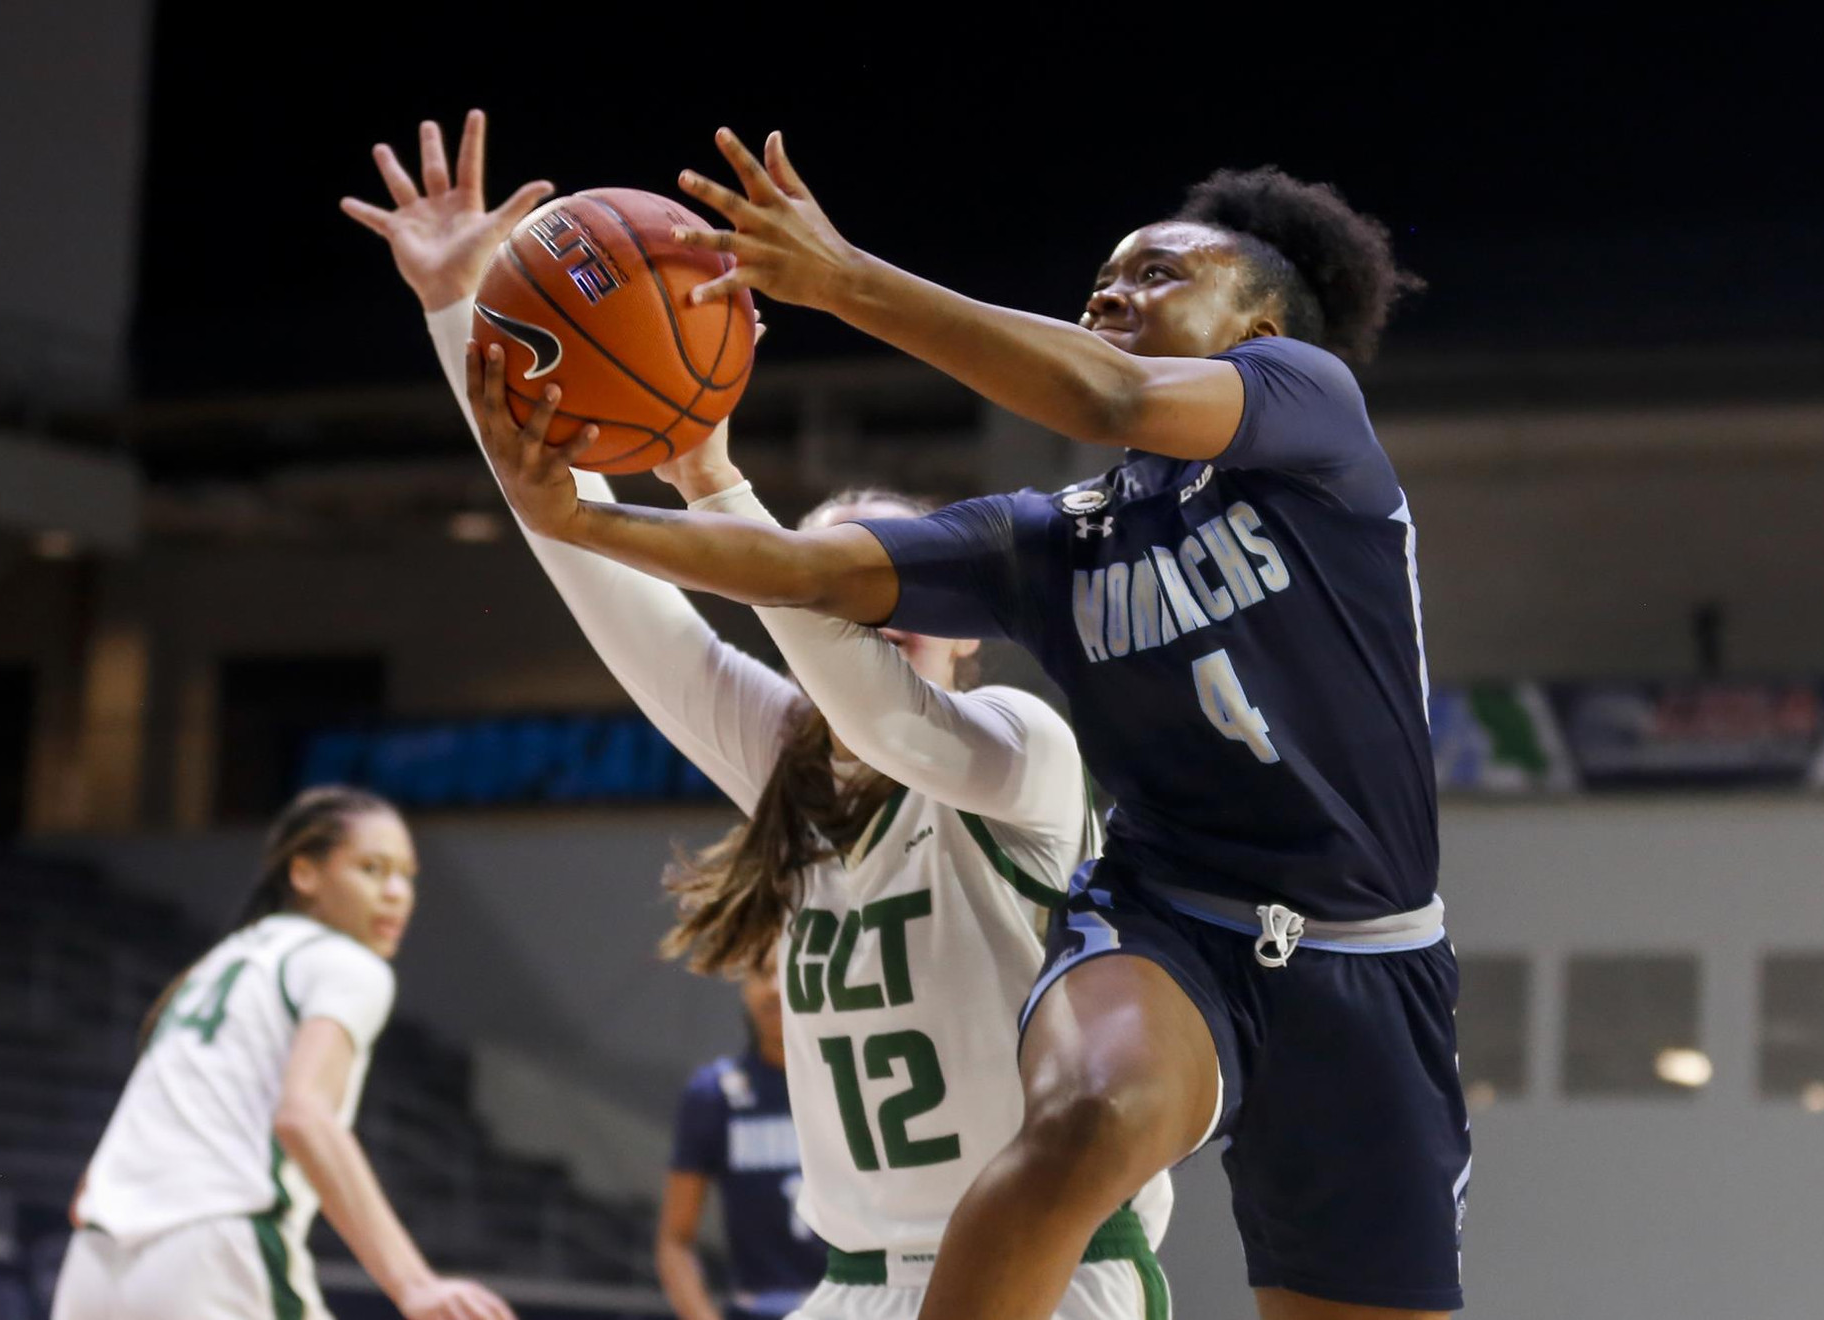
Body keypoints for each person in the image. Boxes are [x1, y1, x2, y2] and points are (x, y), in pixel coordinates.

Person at [459, 126, 1468, 1320]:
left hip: (1371, 953)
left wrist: (842, 279)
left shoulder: (1317, 414)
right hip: (1178, 919)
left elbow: (1109, 393)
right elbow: (812, 574)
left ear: (1258, 333)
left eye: (1160, 272)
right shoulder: (1054, 538)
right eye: (1105, 276)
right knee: (1091, 1115)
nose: (1114, 289)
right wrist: (582, 522)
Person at [341, 110, 1173, 1320]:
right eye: (828, 581)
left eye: (884, 585)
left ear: (965, 625)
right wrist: (467, 316)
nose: (853, 605)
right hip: (845, 1289)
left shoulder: (1022, 758)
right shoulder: (792, 769)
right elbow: (593, 570)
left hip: (1048, 1281)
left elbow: (880, 720)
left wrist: (713, 486)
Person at [54, 786, 515, 1320]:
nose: (396, 892)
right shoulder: (346, 963)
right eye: (372, 869)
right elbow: (303, 1115)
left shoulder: (216, 965)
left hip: (95, 1260)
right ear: (304, 874)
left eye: (406, 876)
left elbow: (92, 1180)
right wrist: (413, 1282)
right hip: (214, 1248)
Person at [659, 947, 827, 1320]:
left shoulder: (855, 1086)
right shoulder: (713, 1094)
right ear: (741, 986)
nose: (776, 988)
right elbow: (674, 1241)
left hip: (851, 1306)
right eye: (762, 972)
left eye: (788, 971)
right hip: (758, 1309)